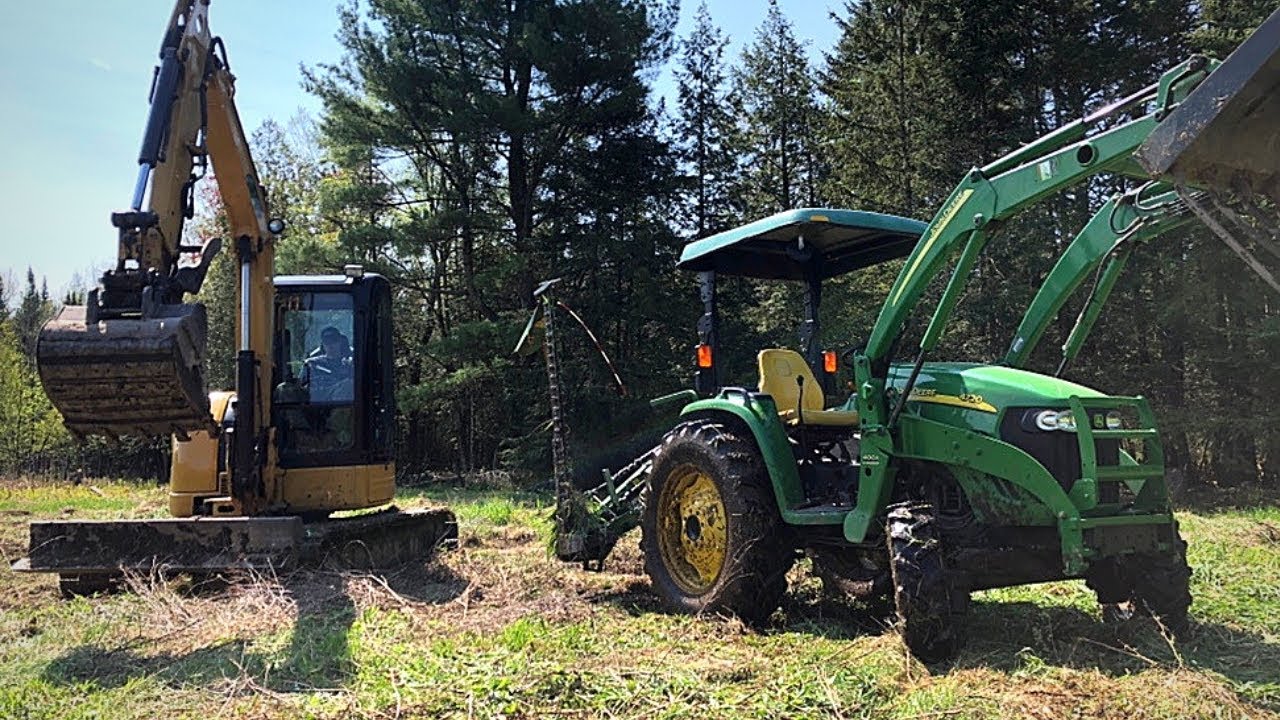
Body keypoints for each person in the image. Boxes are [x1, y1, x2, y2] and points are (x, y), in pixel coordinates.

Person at [303, 326, 353, 400]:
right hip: (314, 404)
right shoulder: (311, 364)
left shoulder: (348, 365)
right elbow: (300, 387)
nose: (330, 345)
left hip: (341, 406)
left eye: (334, 340)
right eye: (327, 341)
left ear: (340, 342)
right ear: (322, 343)